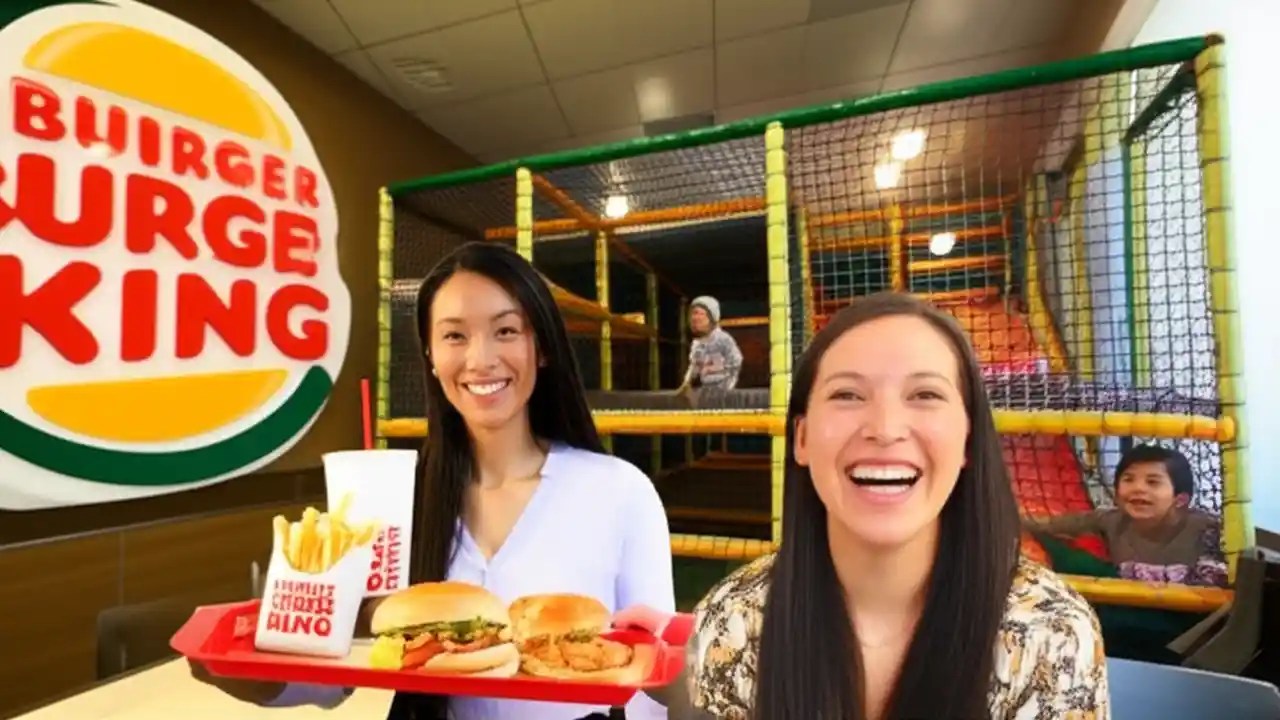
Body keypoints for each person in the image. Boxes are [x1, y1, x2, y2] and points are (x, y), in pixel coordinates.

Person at [191, 241, 676, 720]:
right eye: (454, 336)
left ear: (542, 347)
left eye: (506, 330)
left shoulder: (619, 492)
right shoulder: (393, 500)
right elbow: (343, 669)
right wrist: (261, 679)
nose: (481, 359)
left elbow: (652, 680)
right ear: (429, 353)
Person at [620, 292, 1110, 719]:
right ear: (803, 439)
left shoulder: (1050, 633)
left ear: (968, 440)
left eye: (924, 394)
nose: (885, 427)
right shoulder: (734, 619)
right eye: (848, 394)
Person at [1025, 443, 1226, 586]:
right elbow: (1051, 525)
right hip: (1129, 608)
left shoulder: (1206, 529)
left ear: (1180, 499)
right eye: (1128, 479)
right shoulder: (1111, 521)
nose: (1138, 488)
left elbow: (1215, 578)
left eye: (1153, 482)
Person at [675, 296, 743, 395]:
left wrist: (728, 385)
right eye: (694, 313)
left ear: (711, 318)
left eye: (701, 313)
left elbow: (736, 361)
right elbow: (694, 366)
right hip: (706, 391)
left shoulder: (724, 339)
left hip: (724, 391)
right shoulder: (697, 344)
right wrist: (686, 383)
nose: (695, 318)